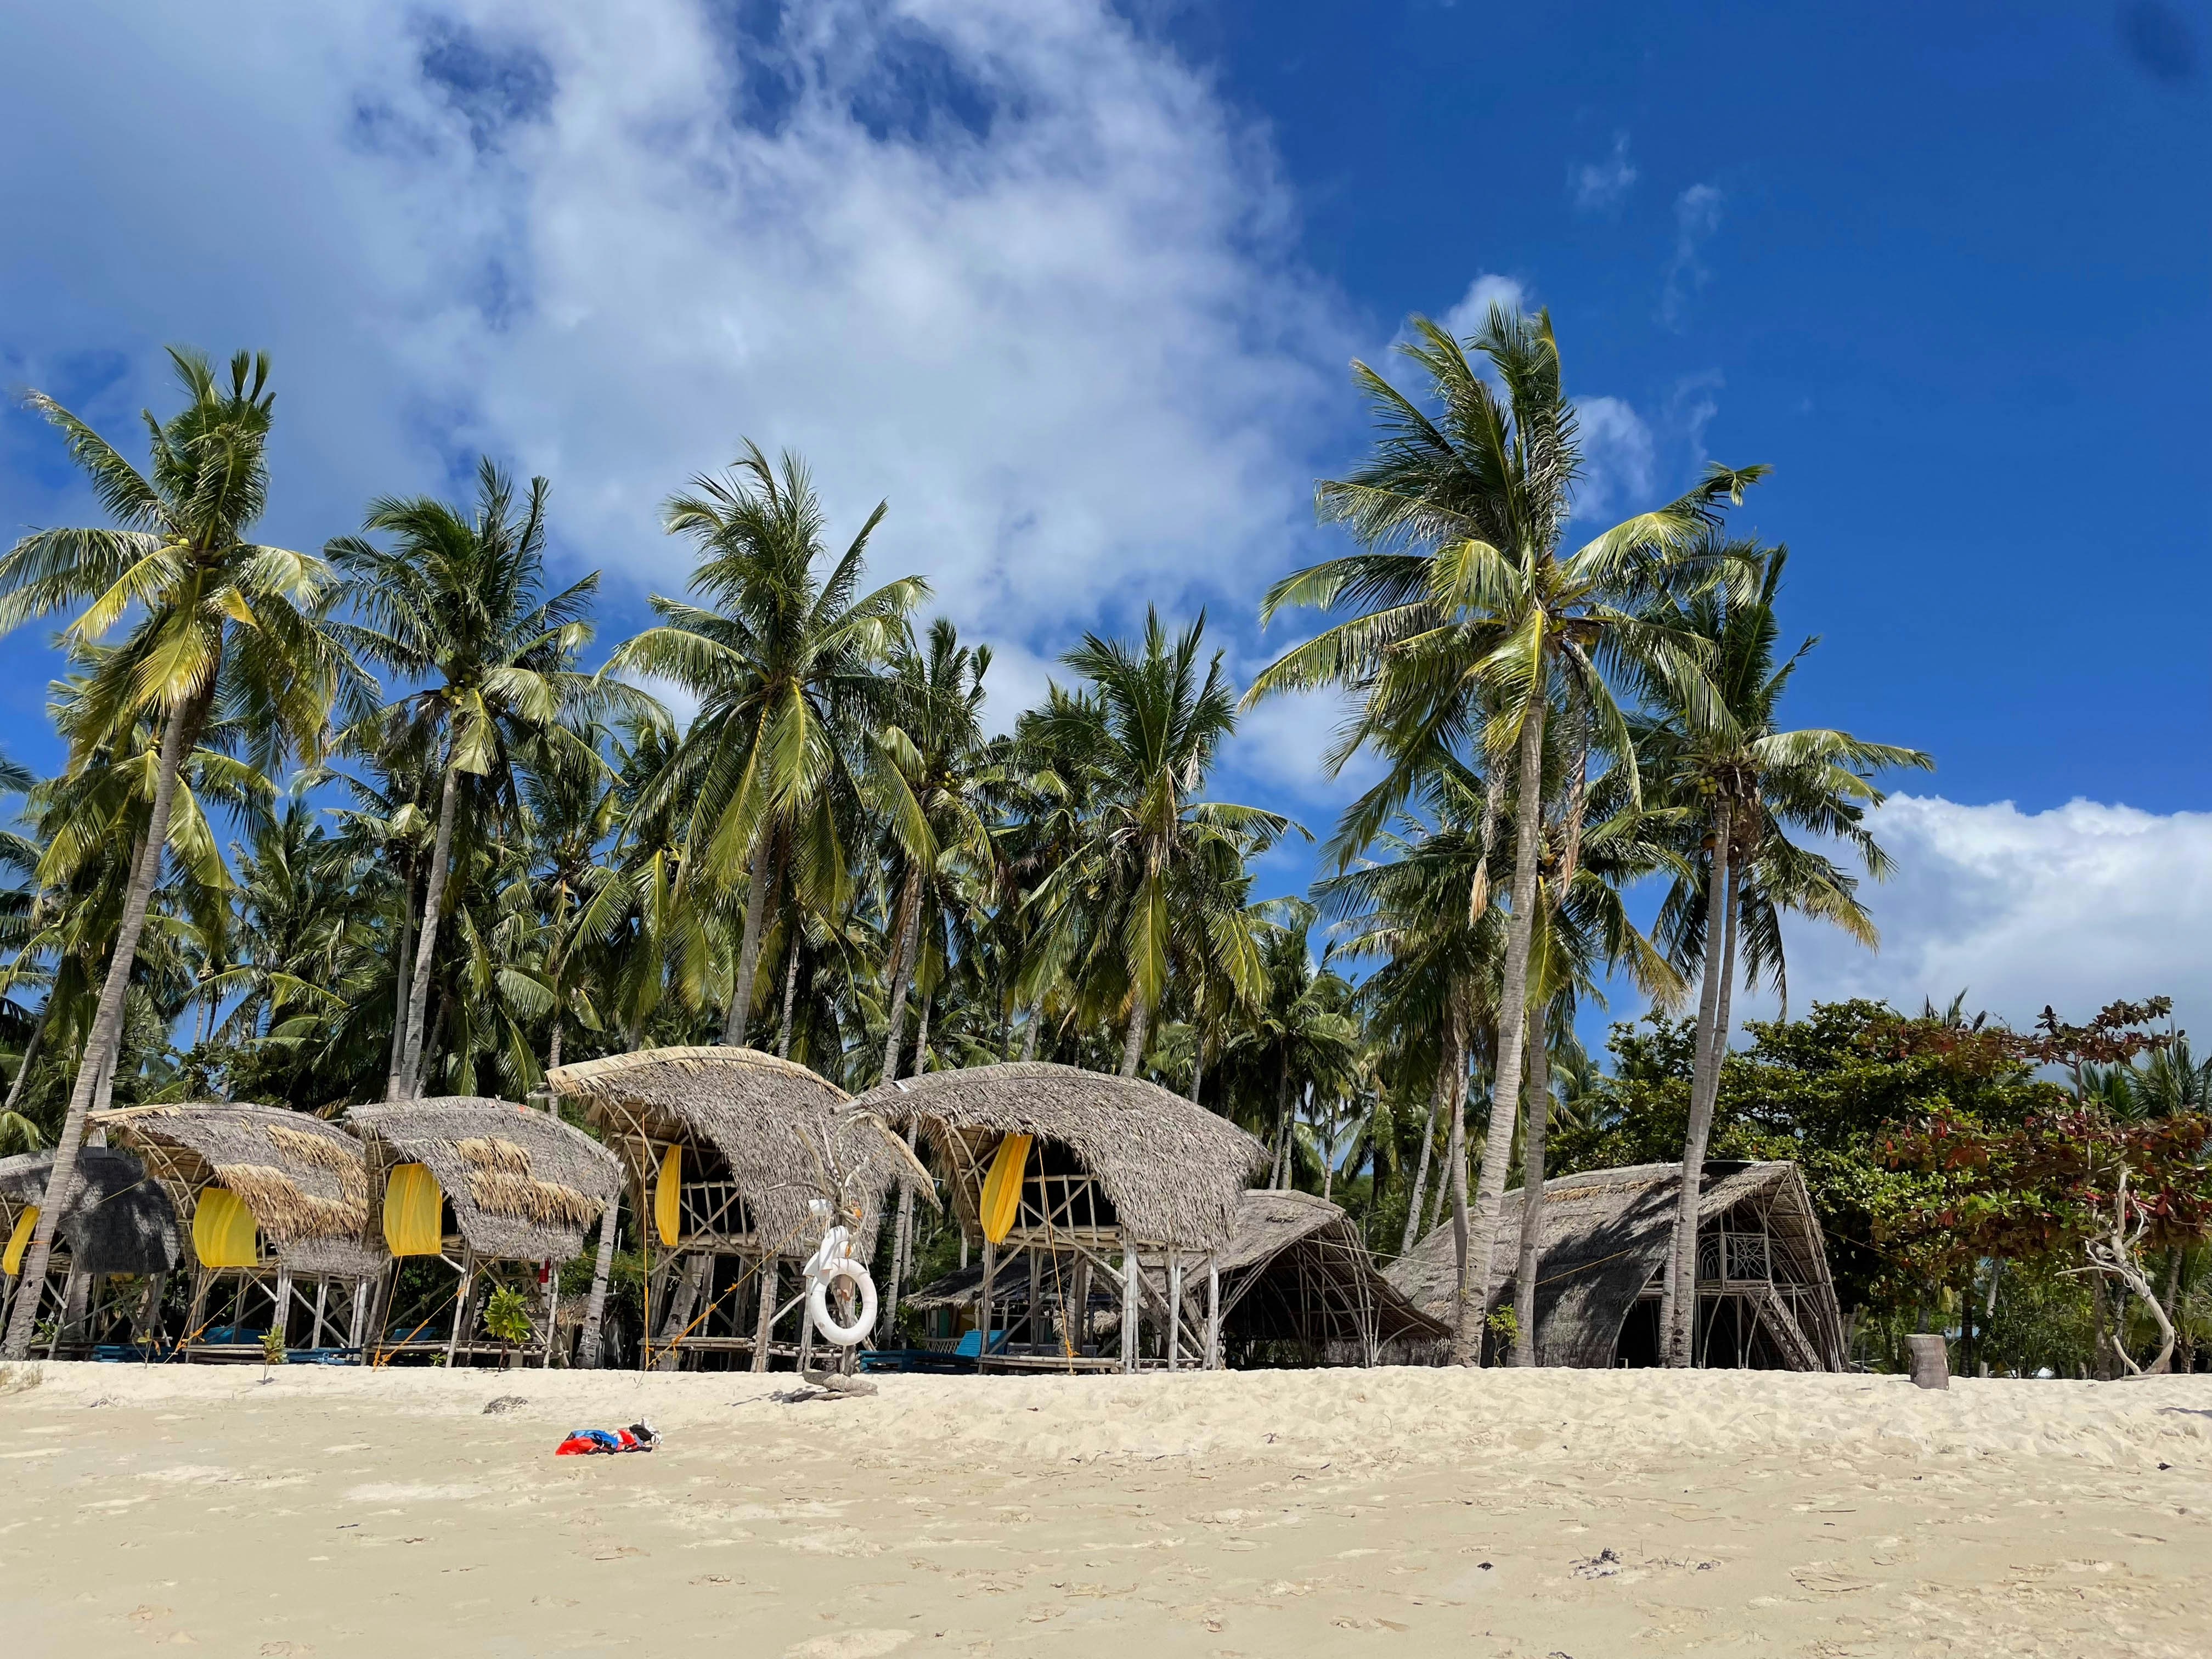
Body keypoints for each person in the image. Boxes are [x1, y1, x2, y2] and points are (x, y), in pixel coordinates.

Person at [554, 1419, 658, 1455]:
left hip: (614, 1443)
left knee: (585, 1436)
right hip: (615, 1443)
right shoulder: (632, 1440)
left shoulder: (630, 1439)